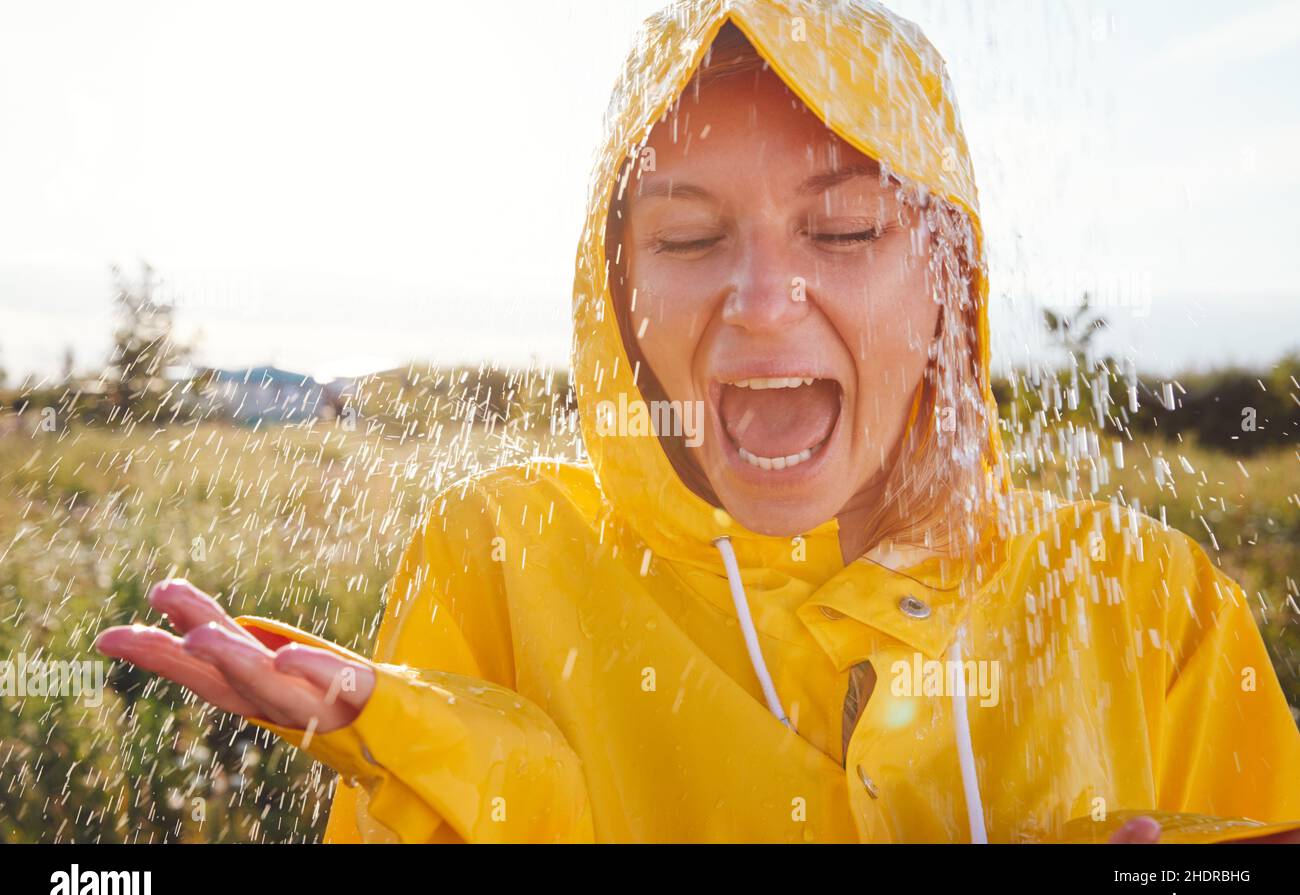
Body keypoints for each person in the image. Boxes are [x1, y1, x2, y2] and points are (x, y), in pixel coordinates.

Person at [97, 0, 1300, 843]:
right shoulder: (505, 557)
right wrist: (426, 751)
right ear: (616, 295)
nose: (763, 302)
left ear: (950, 279)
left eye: (843, 232)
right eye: (684, 239)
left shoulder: (1146, 599)